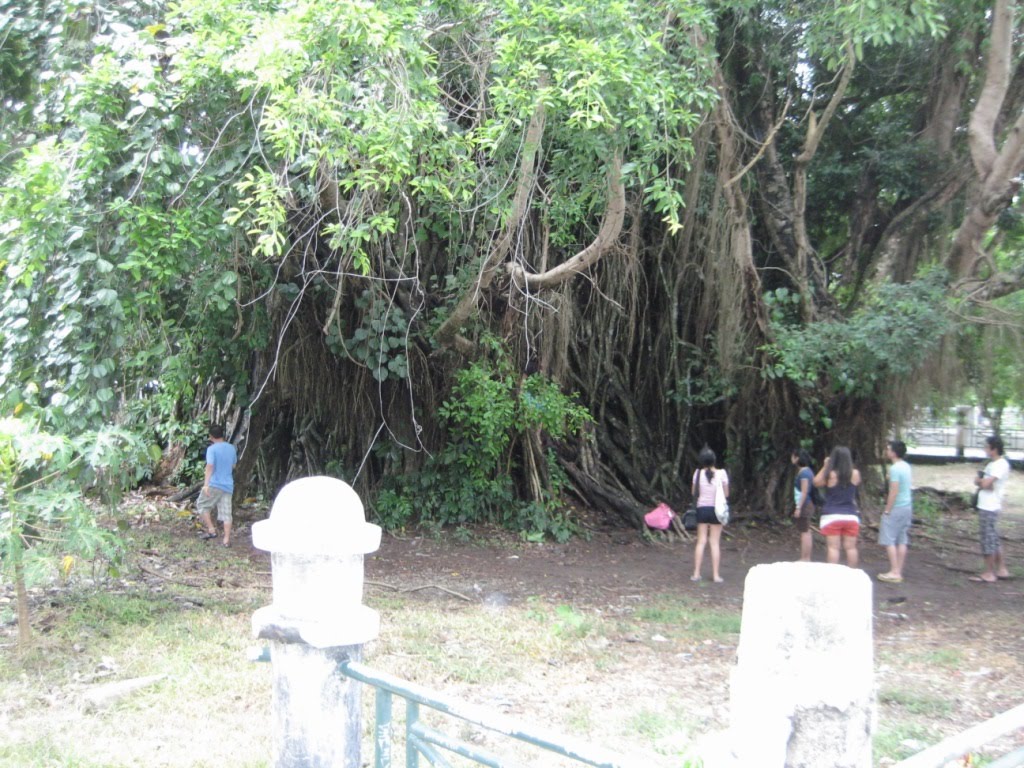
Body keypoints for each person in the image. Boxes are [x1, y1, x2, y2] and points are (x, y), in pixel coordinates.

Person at [970, 435, 1011, 583]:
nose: (985, 449)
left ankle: (989, 572)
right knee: (993, 538)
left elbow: (988, 485)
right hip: (986, 504)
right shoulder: (991, 464)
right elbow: (985, 483)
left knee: (988, 539)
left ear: (994, 448)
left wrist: (980, 482)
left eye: (987, 447)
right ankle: (1001, 568)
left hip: (990, 505)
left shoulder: (1000, 464)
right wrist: (981, 482)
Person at [813, 446, 861, 567]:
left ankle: (833, 575)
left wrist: (825, 466)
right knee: (851, 548)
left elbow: (816, 482)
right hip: (851, 516)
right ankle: (853, 574)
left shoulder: (830, 475)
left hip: (832, 516)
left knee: (833, 548)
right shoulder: (855, 474)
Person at [690, 447, 728, 583]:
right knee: (714, 543)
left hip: (702, 509)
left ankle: (696, 574)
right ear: (714, 460)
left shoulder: (697, 474)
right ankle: (716, 575)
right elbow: (726, 494)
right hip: (717, 511)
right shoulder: (722, 473)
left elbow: (694, 492)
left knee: (701, 542)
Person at [197, 424, 237, 547]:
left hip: (214, 484)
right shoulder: (231, 448)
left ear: (211, 436)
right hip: (228, 485)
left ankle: (211, 530)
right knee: (226, 513)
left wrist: (205, 484)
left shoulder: (212, 449)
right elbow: (233, 466)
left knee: (202, 505)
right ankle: (226, 540)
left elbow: (210, 466)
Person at [878, 439, 912, 583]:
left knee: (889, 538)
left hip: (897, 506)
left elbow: (894, 491)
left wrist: (887, 509)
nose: (886, 451)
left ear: (893, 452)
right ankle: (898, 570)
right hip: (907, 506)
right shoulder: (905, 466)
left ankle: (894, 571)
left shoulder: (895, 469)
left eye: (888, 449)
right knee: (902, 539)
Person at [791, 449, 815, 561]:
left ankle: (805, 558)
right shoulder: (806, 471)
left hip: (804, 504)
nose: (792, 458)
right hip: (805, 504)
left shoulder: (804, 473)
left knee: (805, 532)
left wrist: (798, 508)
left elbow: (804, 491)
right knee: (805, 531)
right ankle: (806, 557)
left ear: (797, 458)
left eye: (793, 456)